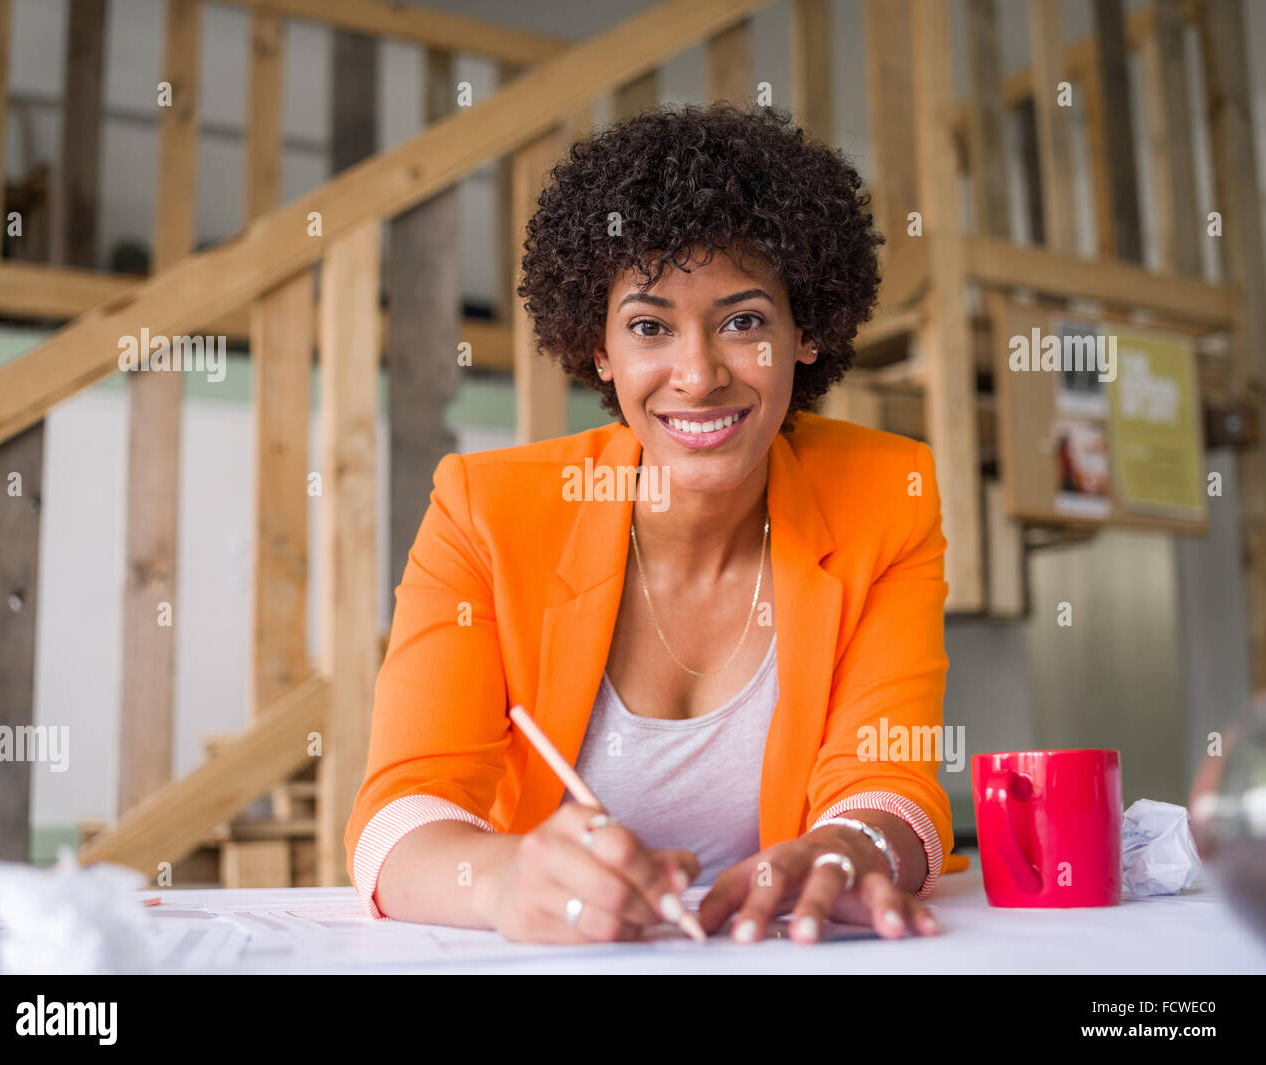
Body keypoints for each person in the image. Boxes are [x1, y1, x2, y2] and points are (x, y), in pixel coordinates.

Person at [346, 103, 953, 945]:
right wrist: (499, 880)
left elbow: (888, 781)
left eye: (743, 321)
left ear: (805, 329)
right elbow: (400, 814)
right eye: (648, 326)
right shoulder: (485, 512)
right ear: (599, 349)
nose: (698, 375)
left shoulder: (887, 496)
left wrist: (851, 847)